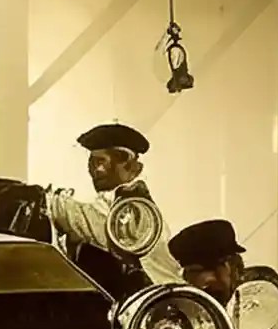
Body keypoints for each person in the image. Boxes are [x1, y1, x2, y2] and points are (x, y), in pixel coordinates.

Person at [43, 122, 180, 296]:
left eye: (101, 162)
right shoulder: (109, 202)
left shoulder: (135, 206)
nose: (95, 171)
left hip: (154, 298)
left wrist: (48, 201)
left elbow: (100, 228)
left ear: (131, 167)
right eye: (91, 163)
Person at [167, 217, 278, 329]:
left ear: (226, 266)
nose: (189, 283)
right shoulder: (216, 300)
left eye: (193, 273)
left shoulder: (260, 291)